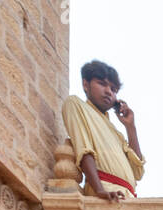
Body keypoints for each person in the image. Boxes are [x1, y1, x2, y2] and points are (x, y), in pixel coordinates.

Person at [61, 60, 144, 201]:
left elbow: (138, 172)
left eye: (113, 89)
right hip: (106, 193)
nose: (108, 92)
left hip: (127, 197)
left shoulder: (116, 132)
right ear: (85, 84)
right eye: (102, 84)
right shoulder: (75, 104)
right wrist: (99, 190)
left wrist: (130, 127)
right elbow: (84, 149)